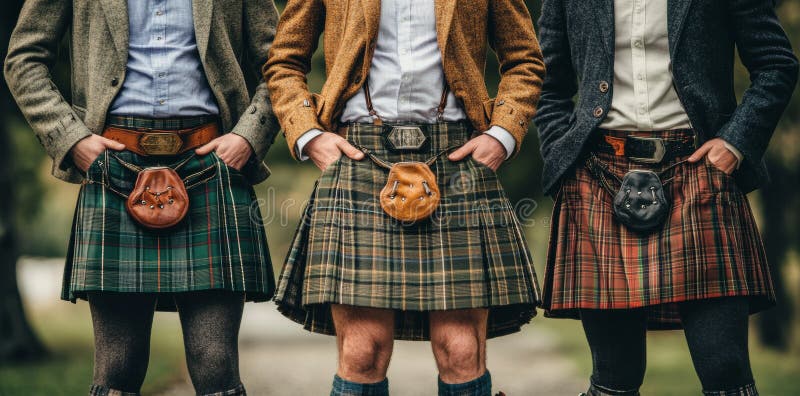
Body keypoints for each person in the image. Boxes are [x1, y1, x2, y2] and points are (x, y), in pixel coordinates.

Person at [264, 1, 544, 395]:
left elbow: (525, 60)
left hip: (456, 157)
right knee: (363, 352)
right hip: (359, 155)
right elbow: (283, 61)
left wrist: (502, 134)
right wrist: (309, 135)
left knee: (460, 349)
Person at [5, 0, 280, 394]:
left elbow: (280, 62)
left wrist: (248, 137)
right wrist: (71, 139)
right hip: (113, 166)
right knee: (117, 371)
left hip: (213, 165)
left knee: (216, 367)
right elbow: (23, 59)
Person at [534, 0, 799, 395]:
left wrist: (735, 141)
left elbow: (777, 64)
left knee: (725, 369)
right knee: (613, 376)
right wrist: (564, 157)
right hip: (598, 175)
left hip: (699, 171)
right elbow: (547, 82)